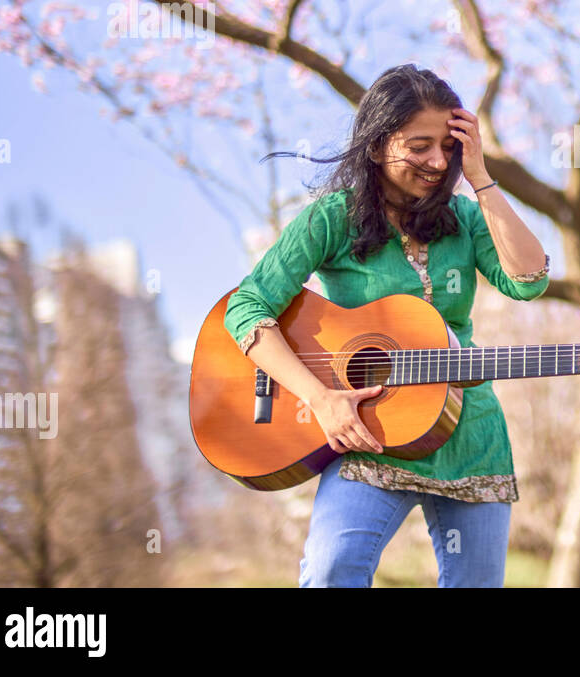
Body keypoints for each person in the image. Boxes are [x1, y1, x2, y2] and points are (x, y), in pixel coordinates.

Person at [222, 64, 551, 587]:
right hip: (369, 432)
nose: (437, 162)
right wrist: (321, 398)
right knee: (332, 572)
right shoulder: (330, 219)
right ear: (377, 145)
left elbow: (529, 280)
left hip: (469, 432)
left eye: (449, 147)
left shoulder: (465, 218)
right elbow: (246, 307)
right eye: (419, 146)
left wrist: (482, 178)